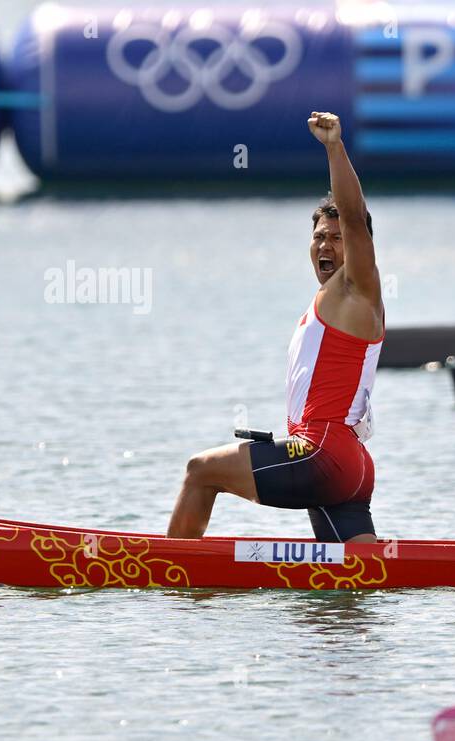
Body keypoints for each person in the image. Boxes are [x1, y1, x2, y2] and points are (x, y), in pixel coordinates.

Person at [167, 112, 384, 542]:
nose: (325, 245)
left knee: (199, 472)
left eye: (337, 239)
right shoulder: (330, 303)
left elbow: (356, 219)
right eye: (319, 236)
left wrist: (333, 148)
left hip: (321, 453)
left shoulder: (358, 289)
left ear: (358, 248)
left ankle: (163, 576)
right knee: (352, 590)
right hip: (351, 467)